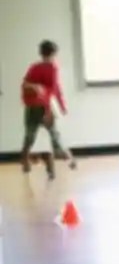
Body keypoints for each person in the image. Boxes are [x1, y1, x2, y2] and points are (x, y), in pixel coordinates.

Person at [20, 39, 76, 178]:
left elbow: (26, 84)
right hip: (42, 107)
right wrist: (52, 109)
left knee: (30, 136)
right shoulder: (52, 68)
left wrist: (60, 105)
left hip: (32, 106)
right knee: (54, 136)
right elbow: (53, 90)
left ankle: (26, 160)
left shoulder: (34, 67)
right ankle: (69, 160)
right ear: (54, 53)